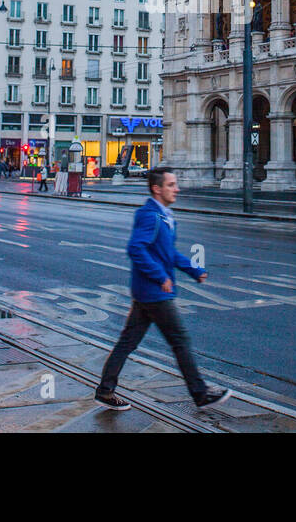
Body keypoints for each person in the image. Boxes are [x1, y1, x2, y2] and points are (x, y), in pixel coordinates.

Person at [95, 167, 230, 412]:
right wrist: (160, 276)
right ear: (157, 189)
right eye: (171, 185)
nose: (176, 189)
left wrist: (193, 270)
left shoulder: (164, 216)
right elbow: (136, 249)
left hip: (148, 292)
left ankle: (105, 391)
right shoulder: (151, 216)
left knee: (127, 342)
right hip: (155, 292)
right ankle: (200, 393)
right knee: (180, 340)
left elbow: (168, 253)